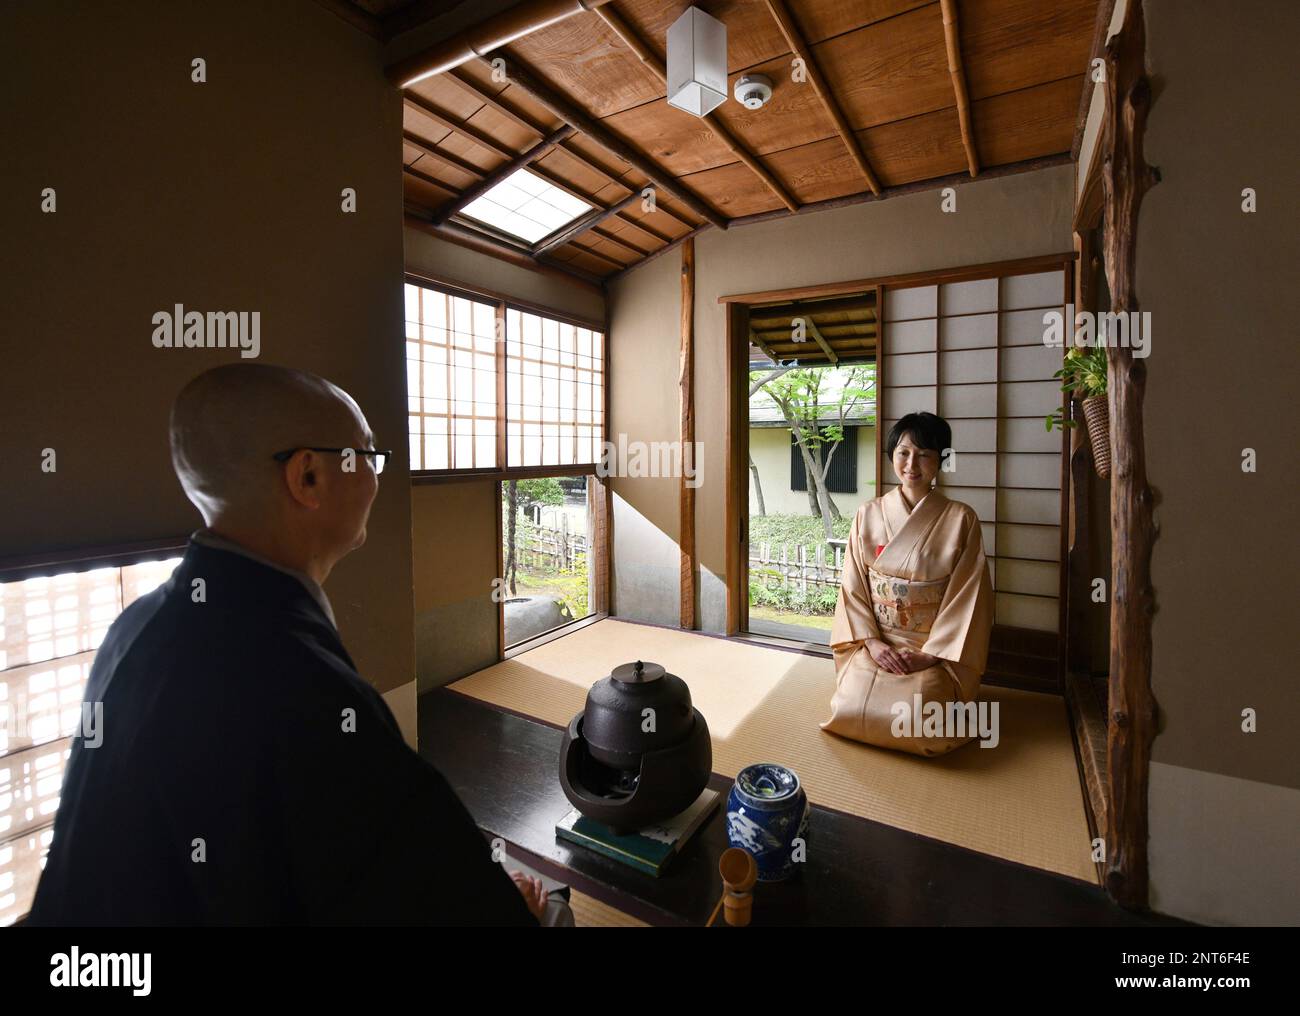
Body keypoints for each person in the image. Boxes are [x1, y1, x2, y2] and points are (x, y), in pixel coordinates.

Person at [28, 363, 562, 925]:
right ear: (307, 477)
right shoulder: (303, 686)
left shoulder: (136, 624)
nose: (377, 476)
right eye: (367, 456)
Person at [820, 411, 994, 756]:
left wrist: (929, 656)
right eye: (903, 452)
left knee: (918, 722)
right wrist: (872, 644)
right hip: (877, 642)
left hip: (932, 650)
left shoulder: (961, 519)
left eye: (925, 454)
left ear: (940, 460)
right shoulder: (868, 513)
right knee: (851, 707)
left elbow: (969, 597)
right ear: (892, 456)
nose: (912, 463)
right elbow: (853, 586)